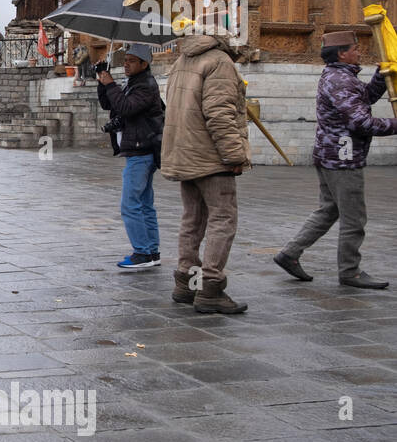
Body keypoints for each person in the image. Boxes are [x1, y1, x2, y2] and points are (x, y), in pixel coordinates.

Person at [275, 29, 397, 290]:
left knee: (328, 210)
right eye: (354, 48)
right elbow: (361, 121)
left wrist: (380, 75)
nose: (359, 51)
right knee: (354, 219)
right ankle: (350, 272)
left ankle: (290, 253)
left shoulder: (341, 76)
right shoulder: (340, 80)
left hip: (331, 154)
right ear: (342, 53)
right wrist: (395, 124)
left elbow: (364, 99)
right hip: (343, 157)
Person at [159, 24, 251, 314]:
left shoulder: (182, 60)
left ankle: (186, 281)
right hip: (211, 157)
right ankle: (210, 287)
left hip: (185, 152)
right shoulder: (219, 62)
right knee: (222, 220)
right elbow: (219, 114)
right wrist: (234, 155)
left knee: (193, 220)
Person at [97, 43, 165, 269]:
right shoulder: (133, 83)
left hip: (142, 150)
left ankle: (142, 253)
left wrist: (111, 84)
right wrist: (102, 81)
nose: (126, 64)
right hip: (138, 149)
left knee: (130, 204)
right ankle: (152, 252)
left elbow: (125, 108)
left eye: (131, 61)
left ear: (144, 64)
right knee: (145, 203)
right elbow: (111, 104)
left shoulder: (146, 86)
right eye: (125, 60)